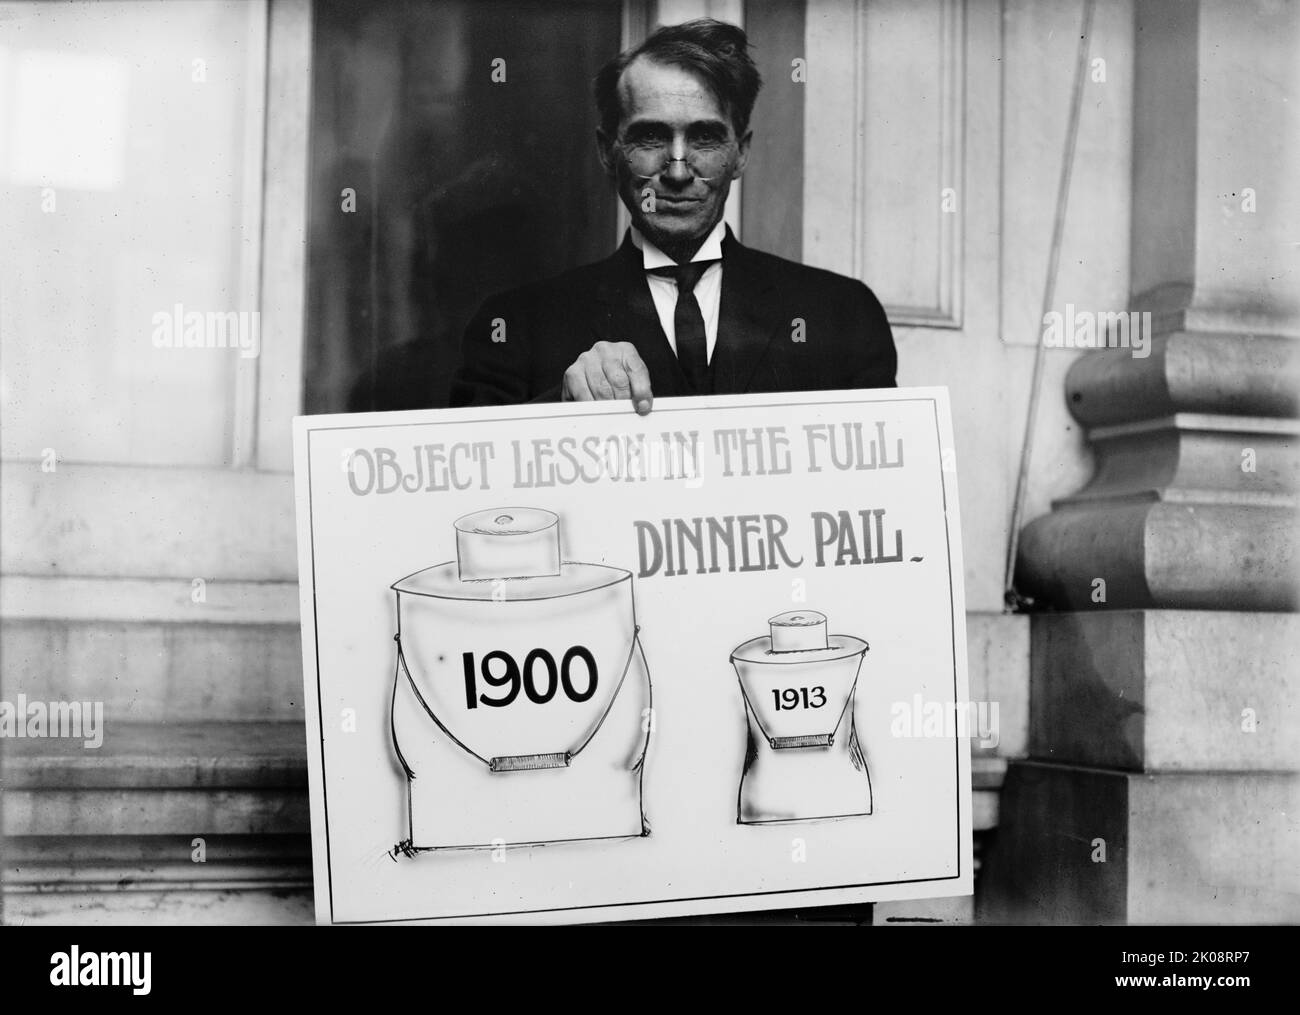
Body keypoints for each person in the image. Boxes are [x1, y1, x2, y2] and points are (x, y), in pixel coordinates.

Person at [448, 18, 896, 415]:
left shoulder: (844, 315)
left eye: (705, 138)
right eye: (651, 138)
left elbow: (884, 491)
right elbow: (477, 495)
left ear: (741, 153)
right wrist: (562, 405)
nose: (678, 170)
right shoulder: (517, 325)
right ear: (609, 152)